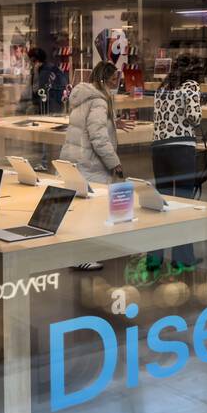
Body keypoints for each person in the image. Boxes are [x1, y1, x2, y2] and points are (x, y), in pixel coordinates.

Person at [60, 62, 133, 272]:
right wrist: (115, 162)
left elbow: (90, 125)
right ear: (104, 80)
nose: (115, 85)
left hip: (77, 159)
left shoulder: (83, 96)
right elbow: (98, 137)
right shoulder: (99, 102)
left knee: (81, 209)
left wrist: (112, 122)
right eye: (113, 81)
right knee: (91, 211)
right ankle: (83, 256)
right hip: (91, 163)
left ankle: (80, 254)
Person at [145, 55, 204, 278]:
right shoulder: (190, 87)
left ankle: (154, 258)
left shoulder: (162, 87)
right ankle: (183, 259)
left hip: (159, 149)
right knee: (184, 204)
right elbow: (194, 117)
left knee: (162, 204)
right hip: (181, 149)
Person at [27, 47, 66, 115]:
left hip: (49, 106)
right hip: (53, 105)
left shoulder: (45, 71)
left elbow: (37, 89)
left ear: (35, 60)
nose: (30, 63)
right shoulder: (51, 68)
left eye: (31, 60)